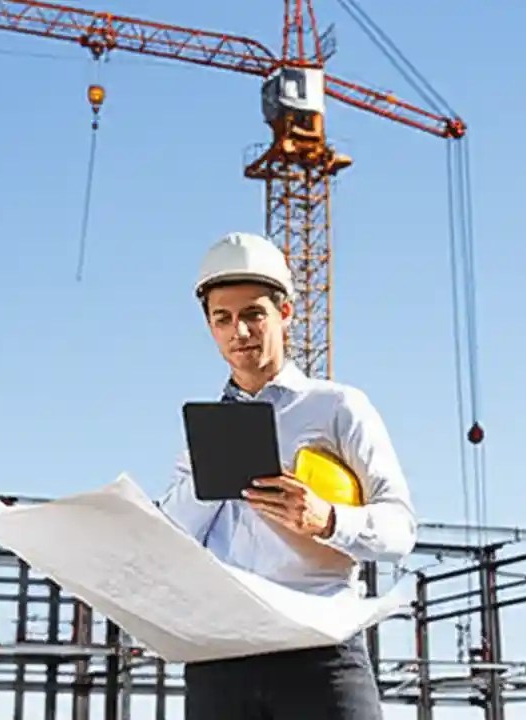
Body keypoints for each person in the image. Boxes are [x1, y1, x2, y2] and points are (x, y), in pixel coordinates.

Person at [156, 231, 418, 720]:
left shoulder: (338, 407)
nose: (240, 331)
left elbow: (400, 530)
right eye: (222, 319)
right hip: (222, 657)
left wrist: (327, 519)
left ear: (286, 313)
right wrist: (209, 470)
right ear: (210, 327)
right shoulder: (202, 434)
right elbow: (171, 538)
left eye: (254, 314)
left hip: (320, 653)